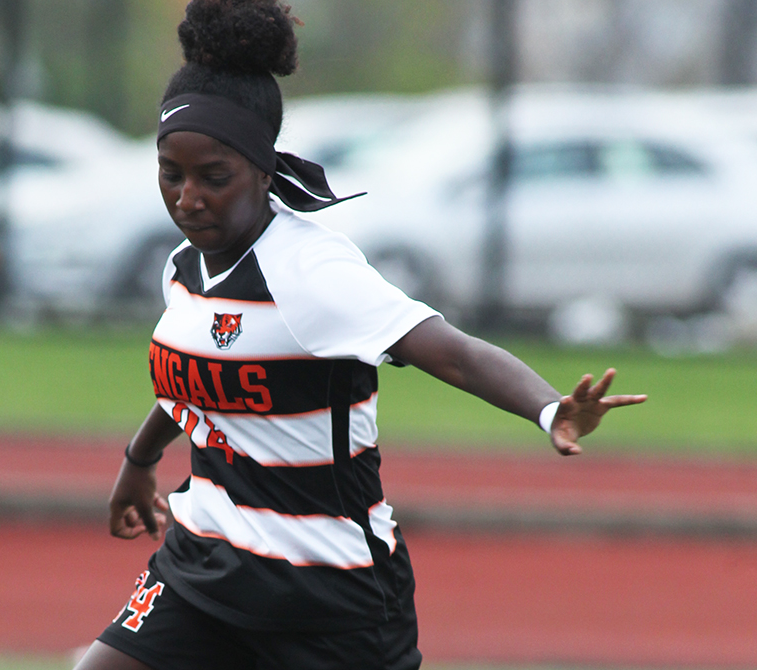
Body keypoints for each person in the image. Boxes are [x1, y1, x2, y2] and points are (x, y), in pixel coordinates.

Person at [76, 2, 647, 669]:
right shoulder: (185, 266)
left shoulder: (311, 270)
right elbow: (201, 388)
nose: (188, 198)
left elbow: (451, 351)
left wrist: (549, 407)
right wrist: (138, 464)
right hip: (204, 561)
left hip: (326, 594)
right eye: (172, 174)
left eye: (214, 177)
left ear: (264, 170)